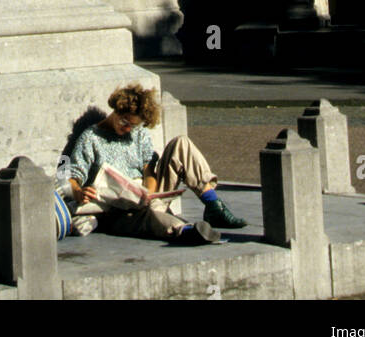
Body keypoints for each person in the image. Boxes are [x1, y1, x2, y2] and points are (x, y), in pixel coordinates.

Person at [66, 82, 247, 246]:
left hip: (143, 195)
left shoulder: (138, 134)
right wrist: (80, 192)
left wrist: (149, 193)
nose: (128, 129)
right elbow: (73, 178)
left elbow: (149, 171)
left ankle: (213, 204)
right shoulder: (91, 138)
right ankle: (186, 230)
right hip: (118, 209)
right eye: (124, 122)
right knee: (148, 216)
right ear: (116, 110)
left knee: (181, 144)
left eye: (133, 125)